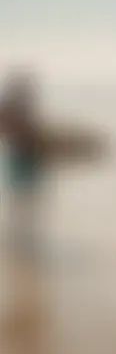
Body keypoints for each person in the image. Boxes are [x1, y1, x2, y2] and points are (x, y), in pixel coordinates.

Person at [0, 71, 45, 256]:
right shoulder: (15, 107)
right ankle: (22, 241)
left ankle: (22, 240)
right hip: (21, 157)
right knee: (23, 199)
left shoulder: (18, 107)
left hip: (27, 158)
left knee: (25, 200)